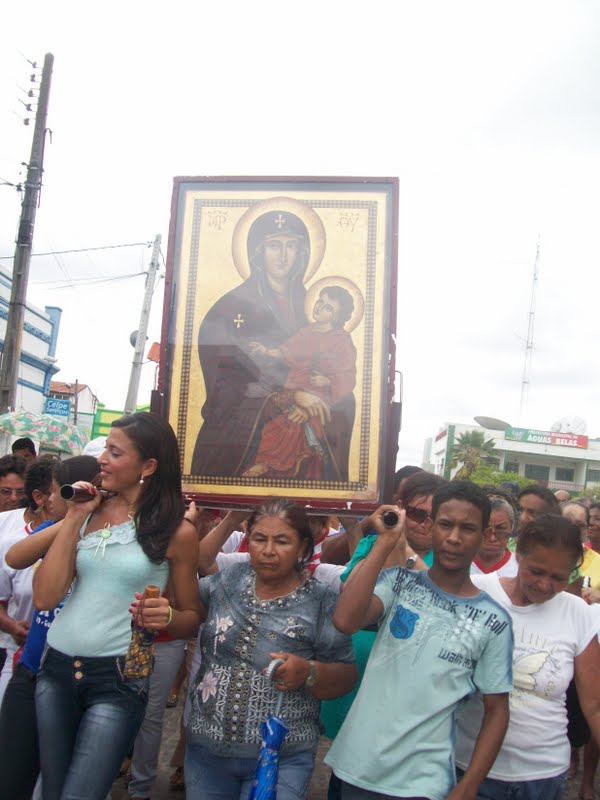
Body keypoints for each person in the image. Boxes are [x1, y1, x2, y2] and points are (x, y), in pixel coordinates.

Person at [33, 412, 202, 800]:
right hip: (55, 669)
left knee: (82, 793)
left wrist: (170, 617)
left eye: (114, 451)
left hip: (118, 679)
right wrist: (75, 515)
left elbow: (191, 617)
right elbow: (45, 597)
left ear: (148, 466)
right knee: (52, 788)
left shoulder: (177, 531)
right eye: (104, 449)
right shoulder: (89, 512)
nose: (102, 460)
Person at [326, 480, 514, 799]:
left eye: (467, 528)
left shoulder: (494, 621)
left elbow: (497, 710)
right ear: (432, 527)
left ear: (483, 536)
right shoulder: (396, 582)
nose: (454, 538)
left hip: (423, 782)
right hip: (357, 766)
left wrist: (469, 785)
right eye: (445, 524)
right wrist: (385, 542)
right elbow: (345, 620)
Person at [185, 497, 357, 800]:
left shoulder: (320, 600)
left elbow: (346, 675)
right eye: (259, 539)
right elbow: (187, 610)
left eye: (281, 541)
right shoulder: (224, 581)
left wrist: (309, 672)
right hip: (205, 752)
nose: (267, 550)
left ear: (304, 547)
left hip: (282, 756)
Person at [455, 513, 600, 800]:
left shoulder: (578, 614)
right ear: (519, 555)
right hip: (468, 769)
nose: (545, 585)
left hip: (544, 778)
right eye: (536, 571)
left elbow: (594, 706)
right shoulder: (477, 592)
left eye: (559, 577)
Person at [0, 455, 100, 800]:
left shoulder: (116, 541)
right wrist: (76, 515)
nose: (51, 500)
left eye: (58, 492)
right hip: (32, 669)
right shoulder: (56, 528)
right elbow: (14, 558)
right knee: (11, 778)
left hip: (81, 679)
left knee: (62, 786)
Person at [191, 209, 311, 477]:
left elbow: (327, 361)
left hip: (303, 402)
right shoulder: (229, 308)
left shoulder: (314, 306)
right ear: (258, 252)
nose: (283, 256)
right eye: (273, 246)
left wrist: (313, 395)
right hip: (250, 408)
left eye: (291, 246)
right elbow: (223, 380)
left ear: (302, 252)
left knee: (344, 404)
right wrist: (284, 397)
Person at [245, 285, 357, 480]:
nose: (320, 307)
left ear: (337, 317)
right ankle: (265, 461)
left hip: (323, 396)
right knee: (276, 425)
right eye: (320, 301)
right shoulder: (306, 332)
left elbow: (348, 374)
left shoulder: (342, 340)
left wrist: (328, 380)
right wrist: (266, 351)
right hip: (295, 387)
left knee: (297, 426)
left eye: (328, 307)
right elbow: (287, 351)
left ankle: (272, 463)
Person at [0, 456, 55, 703]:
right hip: (13, 653)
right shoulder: (10, 540)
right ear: (40, 497)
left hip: (60, 664)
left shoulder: (87, 543)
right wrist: (14, 627)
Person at [471, 496, 518, 577]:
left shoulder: (519, 569)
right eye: (486, 529)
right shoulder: (458, 563)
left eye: (500, 530)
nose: (492, 538)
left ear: (511, 528)